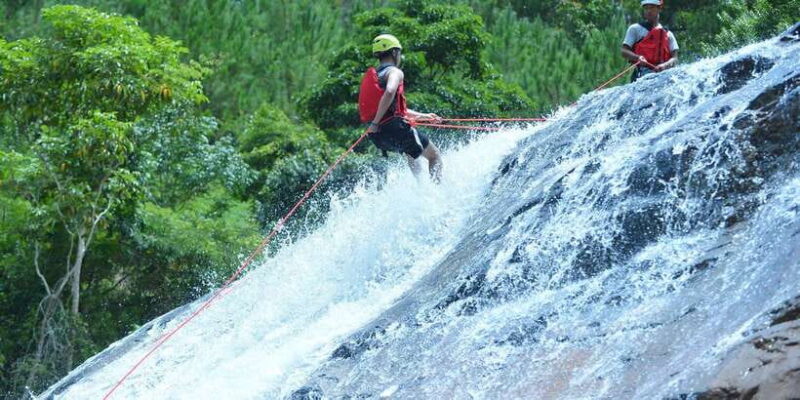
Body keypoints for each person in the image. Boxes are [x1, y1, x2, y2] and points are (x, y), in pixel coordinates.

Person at [358, 34, 443, 182]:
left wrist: (425, 116)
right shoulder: (394, 72)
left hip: (377, 135)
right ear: (394, 52)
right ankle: (437, 190)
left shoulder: (377, 76)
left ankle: (421, 189)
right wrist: (376, 122)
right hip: (392, 128)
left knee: (411, 151)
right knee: (434, 156)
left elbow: (394, 109)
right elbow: (390, 91)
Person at [621, 0, 679, 82]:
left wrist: (664, 65)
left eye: (652, 8)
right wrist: (638, 57)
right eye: (646, 8)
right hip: (641, 76)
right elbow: (624, 51)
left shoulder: (668, 34)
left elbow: (675, 58)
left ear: (659, 9)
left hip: (663, 77)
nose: (648, 11)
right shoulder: (635, 29)